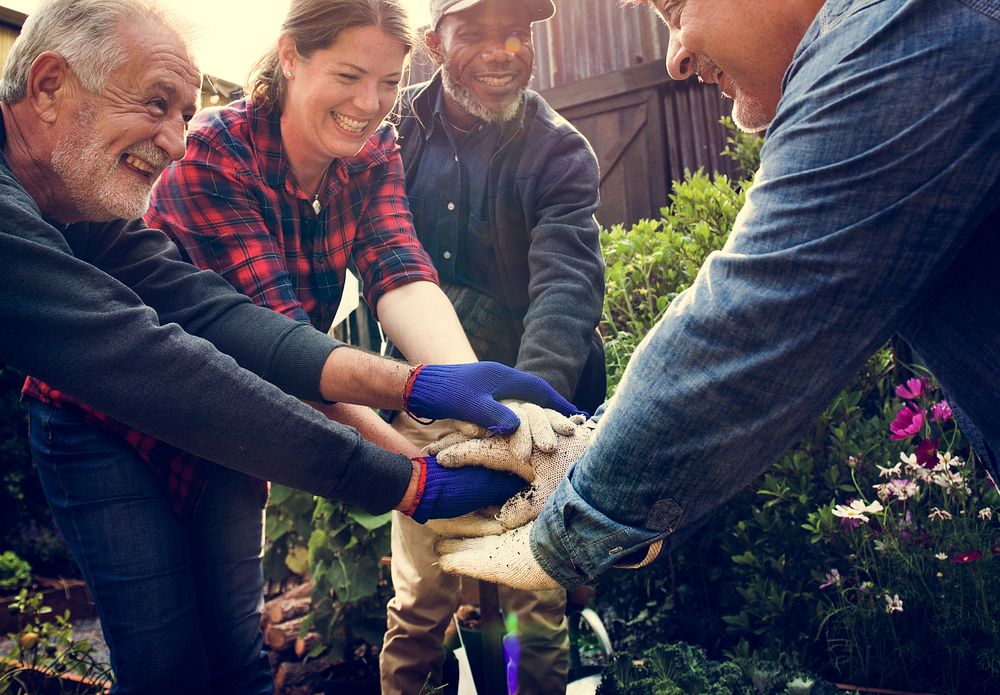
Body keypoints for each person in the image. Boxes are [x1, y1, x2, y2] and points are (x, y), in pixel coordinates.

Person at [0, 0, 580, 692]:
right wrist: (410, 477)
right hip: (121, 425)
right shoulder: (215, 159)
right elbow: (170, 358)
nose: (175, 140)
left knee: (238, 658)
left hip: (235, 416)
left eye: (389, 82)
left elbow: (236, 314)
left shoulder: (94, 216)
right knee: (166, 664)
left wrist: (442, 389)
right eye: (155, 103)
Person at [433, 0, 1000, 592]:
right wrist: (584, 444)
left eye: (676, 8)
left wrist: (572, 521)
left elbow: (755, 310)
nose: (674, 58)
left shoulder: (911, 26)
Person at [378, 0, 604, 692]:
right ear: (433, 43)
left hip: (524, 405)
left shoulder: (560, 150)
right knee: (420, 602)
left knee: (534, 598)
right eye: (474, 32)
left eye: (516, 32)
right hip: (425, 400)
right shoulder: (392, 133)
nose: (501, 50)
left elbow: (565, 286)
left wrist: (528, 423)